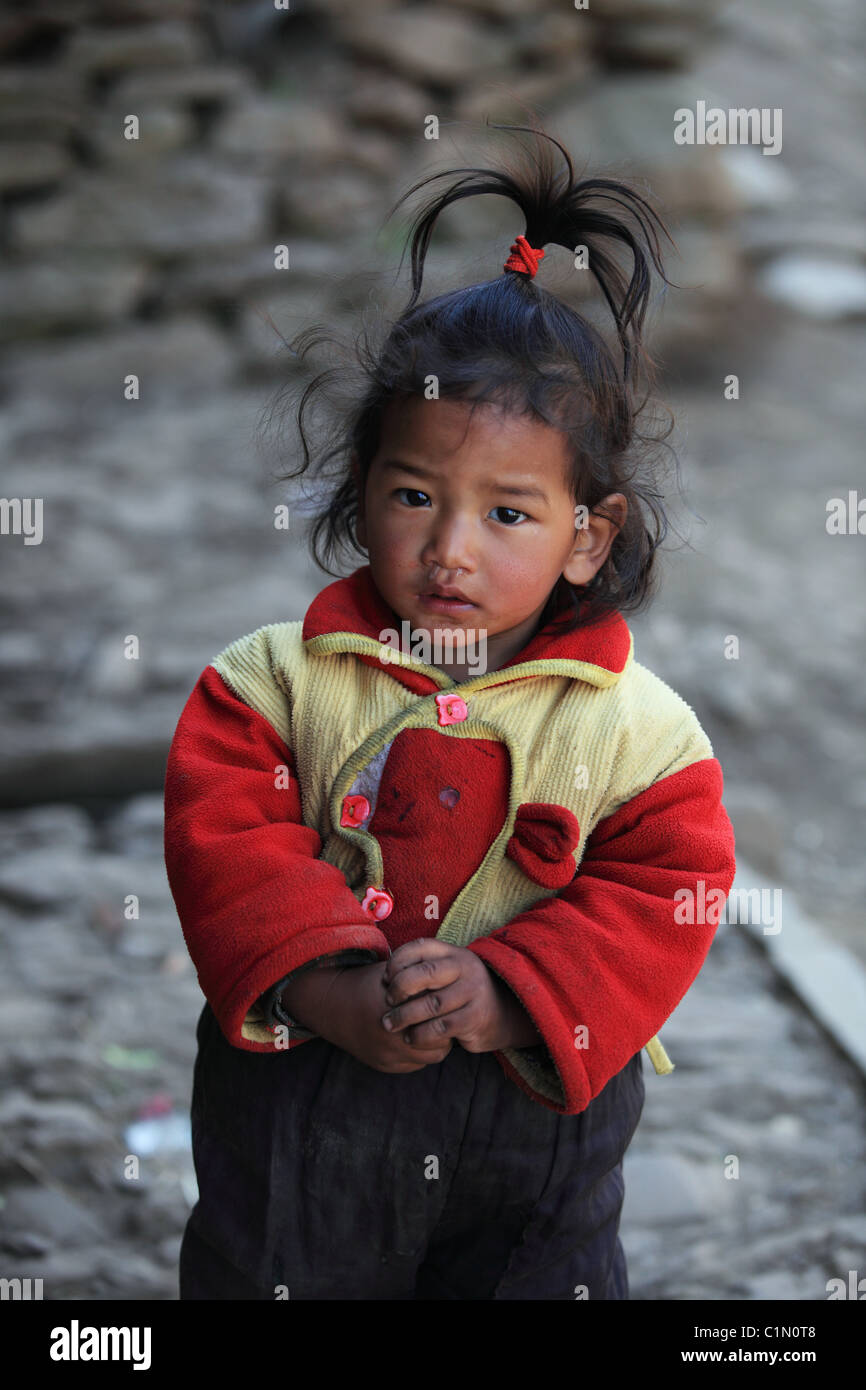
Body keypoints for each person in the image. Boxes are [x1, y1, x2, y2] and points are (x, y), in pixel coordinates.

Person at [164, 123, 736, 1301]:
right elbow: (230, 842)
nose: (449, 548)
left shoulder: (640, 735)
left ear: (591, 535)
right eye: (414, 493)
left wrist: (512, 988)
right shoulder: (271, 682)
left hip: (532, 1118)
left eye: (508, 514)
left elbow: (663, 891)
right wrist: (327, 987)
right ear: (361, 489)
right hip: (303, 1107)